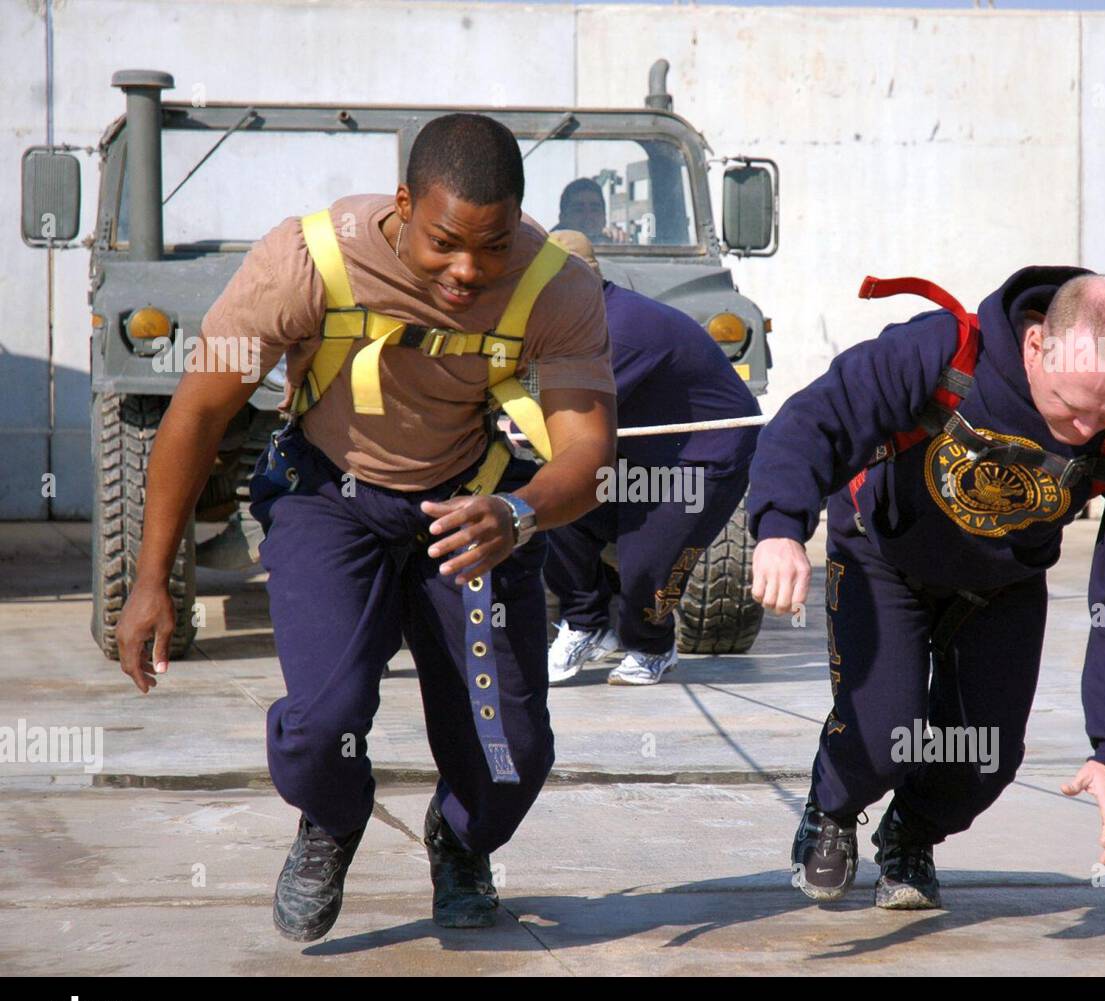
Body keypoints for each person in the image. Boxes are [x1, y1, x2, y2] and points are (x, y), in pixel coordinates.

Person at [115, 114, 617, 938]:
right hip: (329, 501)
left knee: (512, 752)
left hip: (469, 511)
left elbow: (590, 452)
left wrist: (518, 513)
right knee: (322, 724)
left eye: (492, 247)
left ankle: (460, 842)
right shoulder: (305, 261)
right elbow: (199, 415)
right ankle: (333, 820)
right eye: (446, 241)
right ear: (403, 204)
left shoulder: (555, 286)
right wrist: (150, 580)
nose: (468, 270)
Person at [747, 267, 1105, 909]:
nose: (1084, 432)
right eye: (1071, 408)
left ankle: (909, 835)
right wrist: (779, 528)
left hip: (1000, 583)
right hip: (884, 554)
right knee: (882, 735)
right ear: (1036, 344)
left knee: (983, 757)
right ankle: (832, 810)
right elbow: (815, 421)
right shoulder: (942, 352)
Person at [543, 231, 760, 685]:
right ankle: (586, 623)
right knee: (554, 502)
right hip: (645, 460)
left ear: (580, 281)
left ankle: (653, 647)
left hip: (703, 463)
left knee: (646, 567)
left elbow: (571, 412)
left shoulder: (621, 334)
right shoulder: (580, 321)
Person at [554, 178, 628, 244]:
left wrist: (617, 239)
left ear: (604, 217)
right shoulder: (547, 250)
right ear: (563, 218)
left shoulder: (615, 246)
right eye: (579, 210)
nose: (588, 216)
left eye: (595, 210)